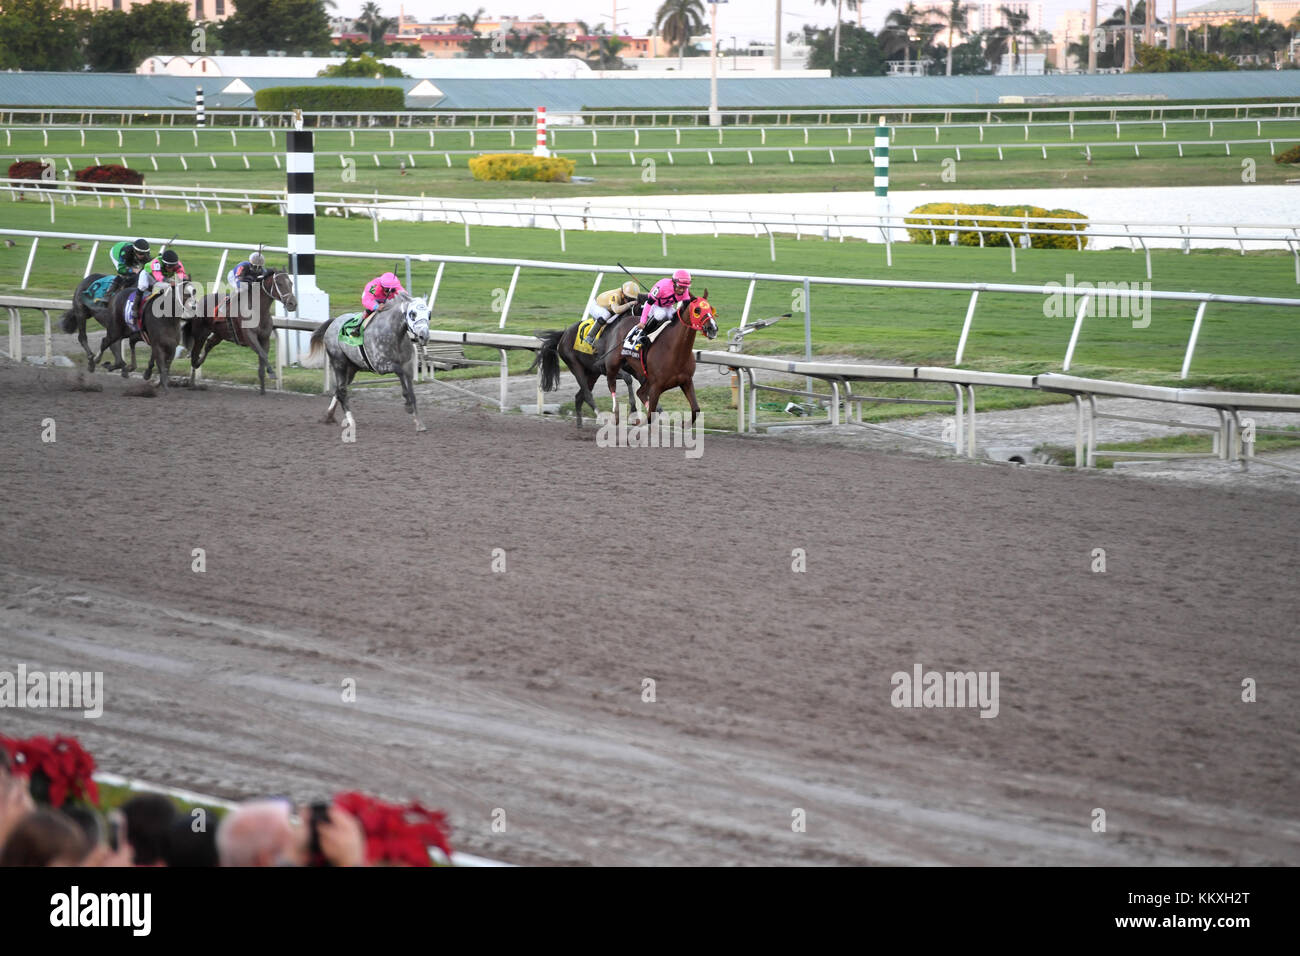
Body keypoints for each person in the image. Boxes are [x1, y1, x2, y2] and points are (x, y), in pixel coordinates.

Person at [631, 269, 691, 351]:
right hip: (654, 305)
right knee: (660, 314)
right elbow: (649, 304)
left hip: (668, 306)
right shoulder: (662, 287)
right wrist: (642, 321)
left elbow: (687, 307)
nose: (682, 290)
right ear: (674, 283)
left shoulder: (685, 291)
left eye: (685, 287)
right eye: (679, 286)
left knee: (675, 317)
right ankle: (643, 335)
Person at [132, 249, 187, 331]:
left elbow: (182, 275)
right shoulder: (156, 263)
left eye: (173, 267)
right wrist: (170, 281)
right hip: (148, 275)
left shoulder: (177, 264)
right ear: (164, 264)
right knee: (143, 286)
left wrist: (180, 281)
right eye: (169, 267)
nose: (172, 269)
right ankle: (135, 308)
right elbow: (159, 277)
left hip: (163, 277)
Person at [581, 281, 640, 348]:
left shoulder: (625, 293)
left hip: (609, 307)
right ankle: (590, 337)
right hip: (596, 306)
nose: (630, 301)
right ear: (623, 295)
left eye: (633, 299)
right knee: (606, 314)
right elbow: (616, 310)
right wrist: (630, 304)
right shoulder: (615, 295)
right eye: (629, 299)